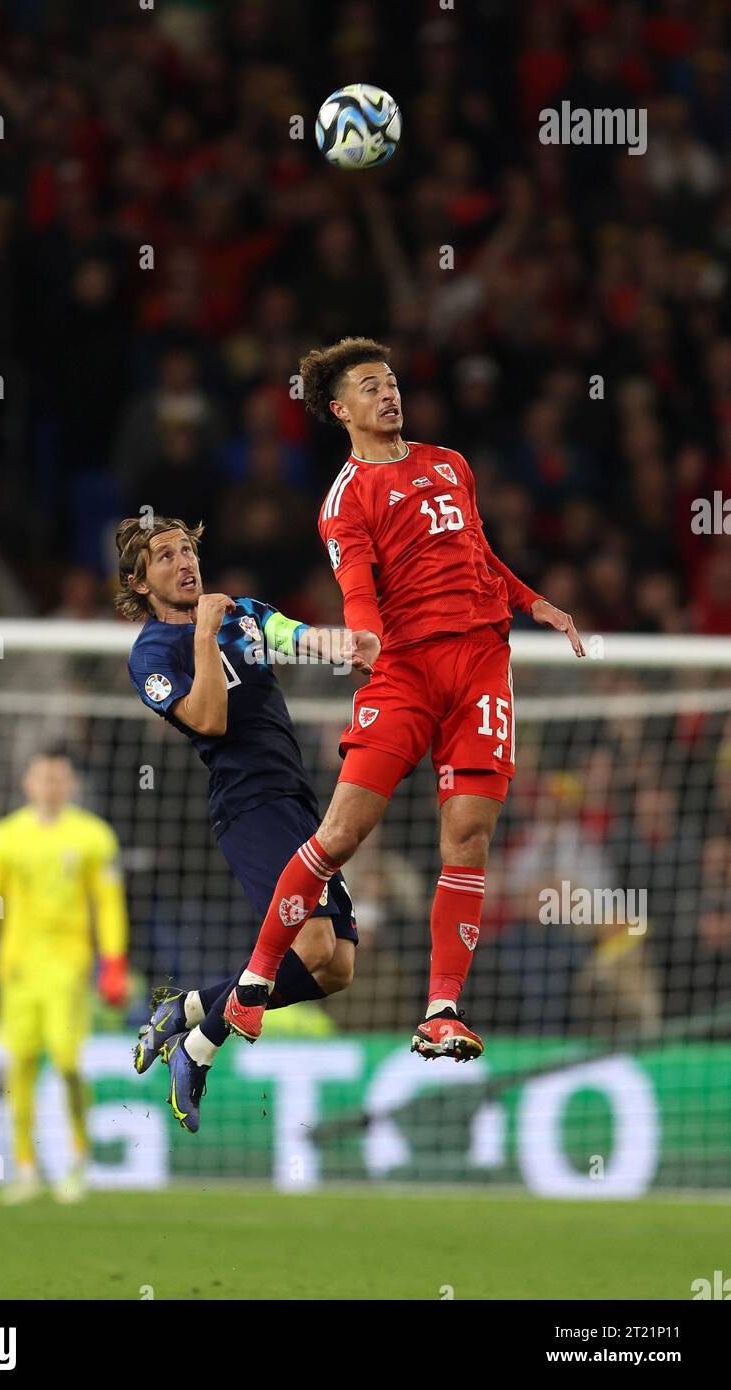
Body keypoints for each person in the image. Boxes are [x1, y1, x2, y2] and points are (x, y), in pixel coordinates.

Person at [223, 337, 584, 1060]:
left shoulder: (450, 464)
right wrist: (360, 636)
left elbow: (478, 555)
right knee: (342, 835)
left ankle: (442, 1010)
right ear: (340, 408)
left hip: (482, 662)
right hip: (404, 669)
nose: (388, 394)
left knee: (470, 838)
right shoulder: (345, 498)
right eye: (369, 386)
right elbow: (357, 587)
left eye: (391, 382)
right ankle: (255, 978)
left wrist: (532, 600)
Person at [117, 513, 366, 1132]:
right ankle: (198, 1045)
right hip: (250, 806)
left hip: (299, 799)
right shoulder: (151, 653)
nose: (184, 562)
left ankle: (189, 1012)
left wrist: (351, 646)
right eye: (165, 556)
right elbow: (208, 720)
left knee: (336, 968)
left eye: (187, 549)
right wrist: (203, 634)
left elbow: (303, 637)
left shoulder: (244, 613)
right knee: (310, 947)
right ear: (141, 583)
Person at [0, 746, 130, 1203]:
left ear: (70, 784)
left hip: (69, 967)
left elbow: (108, 904)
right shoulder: (5, 837)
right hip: (17, 967)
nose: (51, 787)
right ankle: (26, 1169)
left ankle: (77, 1158)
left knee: (69, 1062)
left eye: (59, 779)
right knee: (21, 1065)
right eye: (43, 778)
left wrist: (113, 963)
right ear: (28, 783)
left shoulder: (93, 837)